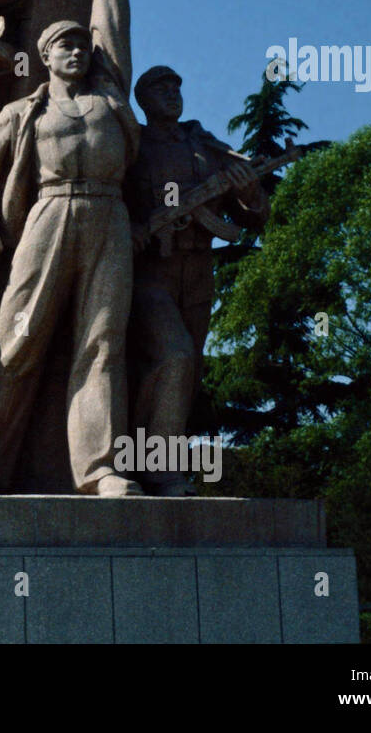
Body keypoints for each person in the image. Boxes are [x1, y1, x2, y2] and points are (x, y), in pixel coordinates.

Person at [0, 0, 144, 497]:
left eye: (83, 46)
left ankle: (98, 470)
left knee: (102, 341)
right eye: (65, 46)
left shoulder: (110, 100)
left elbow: (113, 32)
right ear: (45, 56)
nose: (78, 53)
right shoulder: (26, 112)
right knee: (17, 340)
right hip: (48, 213)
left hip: (109, 213)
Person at [124, 65, 268, 494]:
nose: (171, 94)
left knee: (189, 372)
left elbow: (255, 217)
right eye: (160, 88)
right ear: (143, 99)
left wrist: (248, 193)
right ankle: (155, 468)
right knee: (175, 357)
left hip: (198, 272)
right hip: (151, 273)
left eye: (175, 87)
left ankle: (160, 463)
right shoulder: (133, 147)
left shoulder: (206, 148)